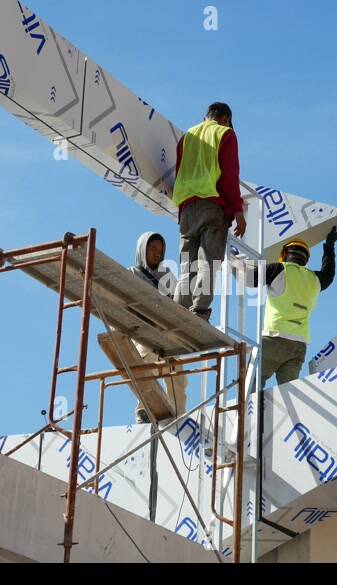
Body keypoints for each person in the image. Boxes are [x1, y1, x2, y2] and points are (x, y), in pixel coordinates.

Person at [234, 227, 337, 387]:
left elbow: (248, 279)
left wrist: (233, 259)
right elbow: (329, 272)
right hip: (298, 345)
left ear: (284, 254)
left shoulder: (279, 269)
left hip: (273, 339)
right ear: (306, 259)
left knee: (251, 388)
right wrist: (329, 245)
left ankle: (246, 412)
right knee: (288, 393)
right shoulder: (315, 279)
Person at [171, 102, 246, 322]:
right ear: (225, 119)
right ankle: (200, 311)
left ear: (206, 117)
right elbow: (229, 178)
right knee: (208, 263)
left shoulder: (187, 137)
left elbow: (179, 173)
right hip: (212, 204)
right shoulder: (226, 134)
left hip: (186, 207)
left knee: (187, 265)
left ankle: (177, 313)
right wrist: (238, 212)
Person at [128, 232, 188, 423]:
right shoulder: (131, 274)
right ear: (142, 250)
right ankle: (145, 409)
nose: (157, 254)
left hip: (166, 333)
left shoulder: (167, 277)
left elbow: (179, 304)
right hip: (143, 332)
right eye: (152, 249)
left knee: (177, 373)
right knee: (147, 365)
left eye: (160, 251)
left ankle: (176, 414)